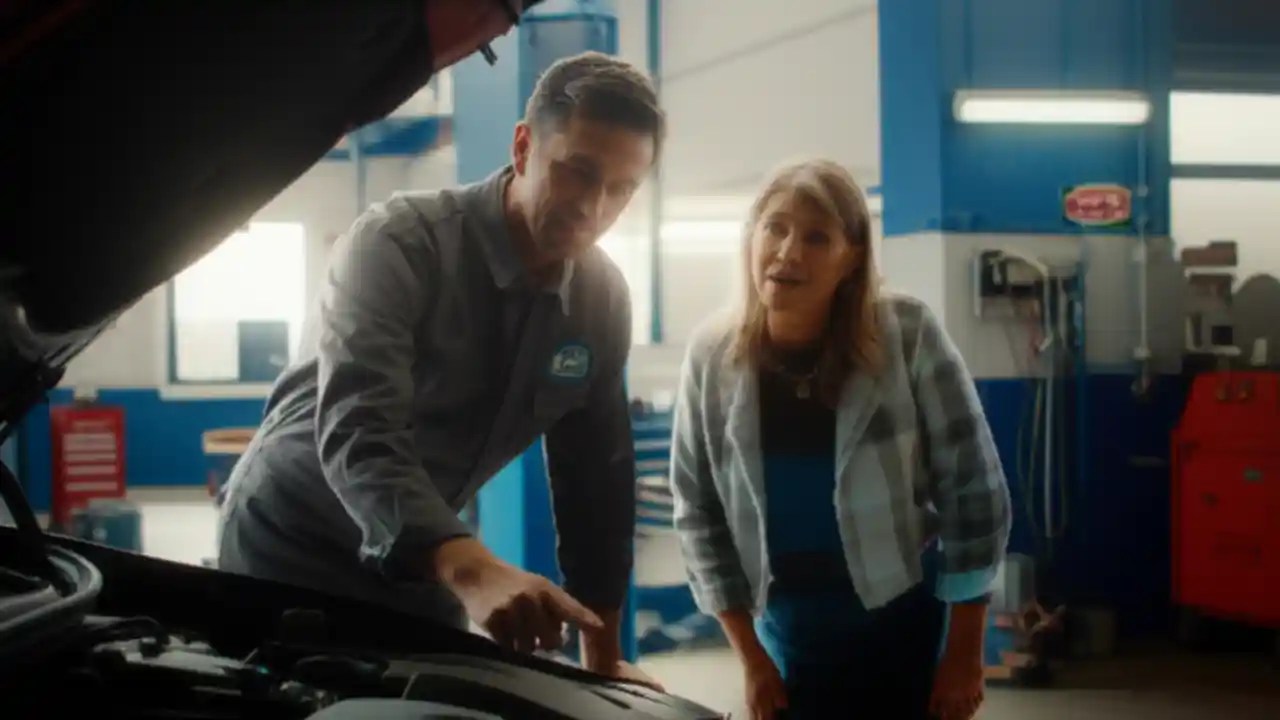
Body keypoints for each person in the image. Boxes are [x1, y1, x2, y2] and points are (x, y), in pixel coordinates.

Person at [216, 51, 665, 686]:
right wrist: (475, 571)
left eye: (621, 189)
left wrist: (604, 661)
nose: (594, 208)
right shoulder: (396, 243)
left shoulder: (601, 299)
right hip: (290, 539)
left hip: (421, 556)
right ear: (523, 147)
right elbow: (362, 433)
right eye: (578, 172)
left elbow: (597, 478)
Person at [668, 158, 1012, 720]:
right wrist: (750, 657)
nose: (787, 252)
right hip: (786, 632)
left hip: (902, 622)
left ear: (851, 257)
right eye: (775, 228)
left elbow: (974, 492)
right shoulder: (713, 355)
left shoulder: (907, 334)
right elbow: (697, 511)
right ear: (751, 235)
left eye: (816, 237)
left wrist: (965, 652)